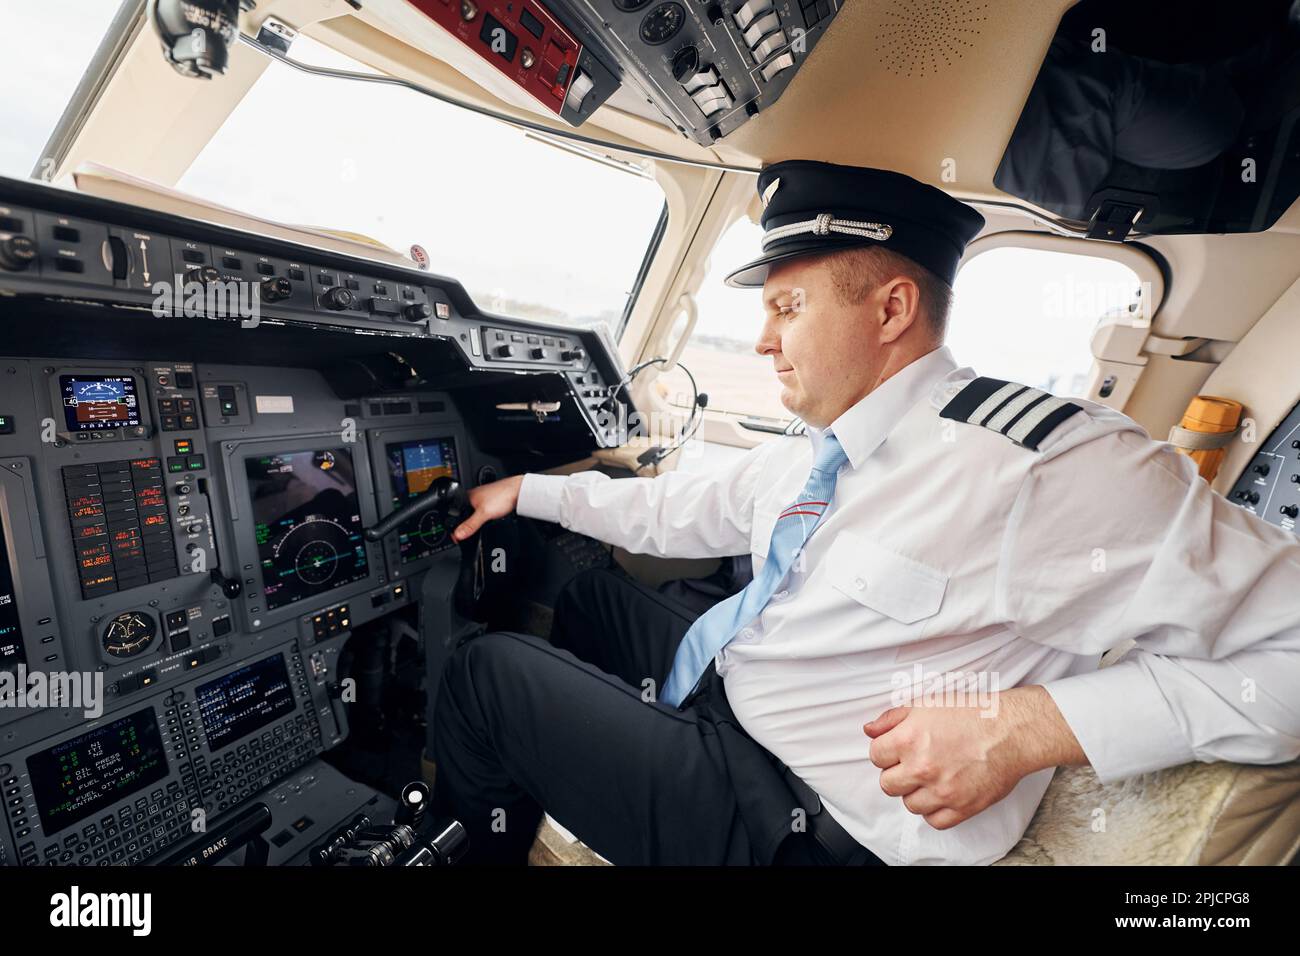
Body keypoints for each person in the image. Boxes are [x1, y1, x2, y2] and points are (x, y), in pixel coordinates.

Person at [429, 159, 1300, 865]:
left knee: (484, 674)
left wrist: (1026, 727)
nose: (764, 338)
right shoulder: (831, 438)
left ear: (892, 309)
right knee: (588, 601)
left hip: (813, 823)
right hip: (752, 713)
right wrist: (529, 494)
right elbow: (690, 509)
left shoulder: (1047, 468)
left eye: (787, 307)